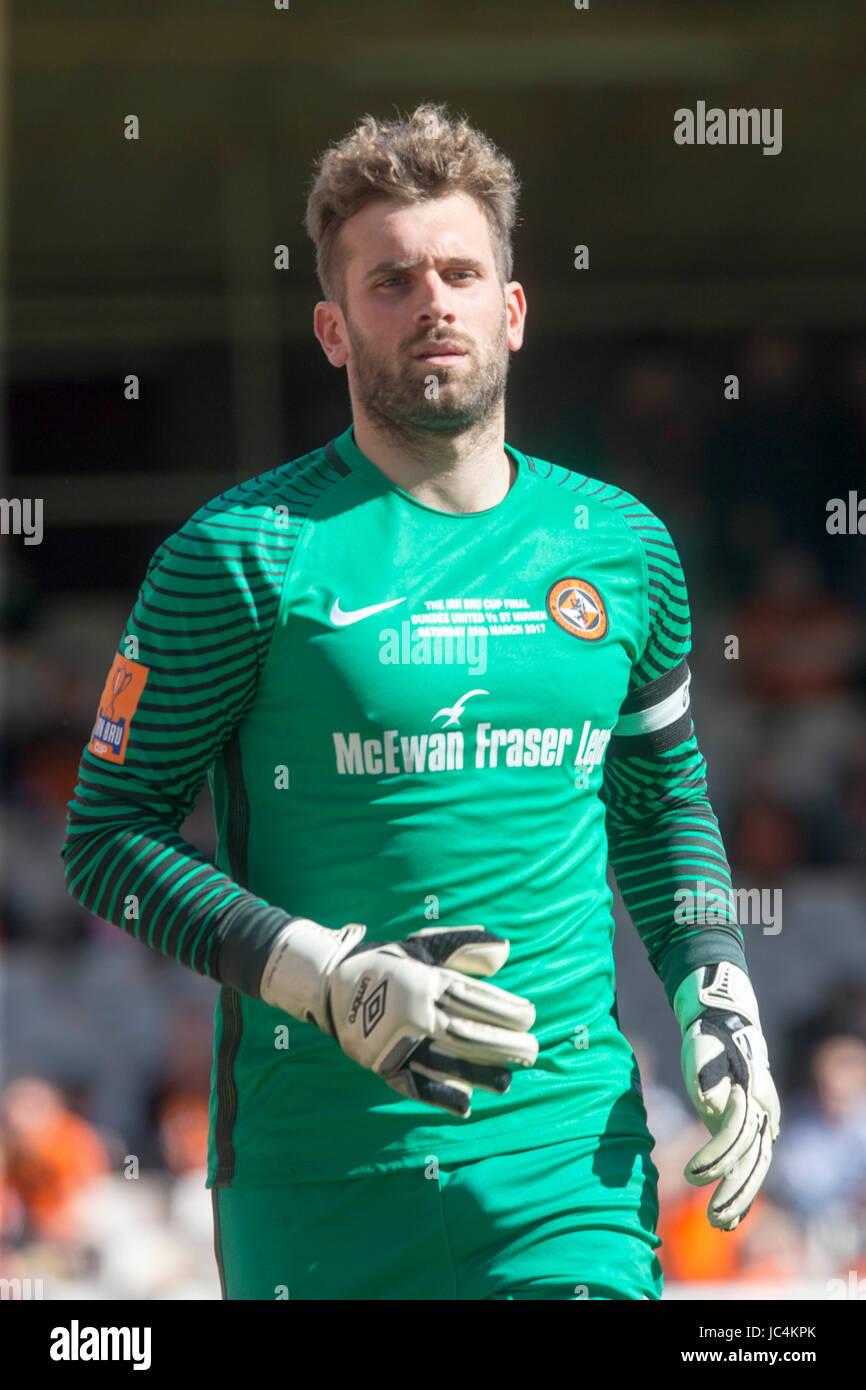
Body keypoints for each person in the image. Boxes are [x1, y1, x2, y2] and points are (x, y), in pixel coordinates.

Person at [61, 102, 779, 1301]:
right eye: (390, 282)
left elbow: (659, 810)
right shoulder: (237, 553)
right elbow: (107, 840)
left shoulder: (618, 546)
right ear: (334, 331)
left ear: (511, 308)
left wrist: (717, 984)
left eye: (458, 271)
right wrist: (324, 977)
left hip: (568, 1168)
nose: (431, 301)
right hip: (315, 1182)